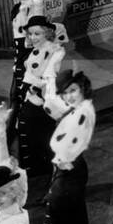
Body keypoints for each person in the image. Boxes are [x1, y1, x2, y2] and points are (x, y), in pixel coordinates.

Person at [42, 69, 96, 224]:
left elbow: (64, 150)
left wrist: (60, 164)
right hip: (75, 169)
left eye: (73, 90)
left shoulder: (80, 115)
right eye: (66, 93)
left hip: (68, 170)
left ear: (82, 88)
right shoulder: (82, 109)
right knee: (75, 216)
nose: (70, 96)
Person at [17, 15, 66, 187]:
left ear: (47, 33)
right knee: (32, 134)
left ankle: (55, 177)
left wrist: (35, 88)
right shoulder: (35, 48)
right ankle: (42, 172)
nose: (32, 38)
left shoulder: (55, 50)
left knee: (46, 138)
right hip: (30, 95)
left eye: (37, 34)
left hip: (43, 98)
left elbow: (50, 77)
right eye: (30, 34)